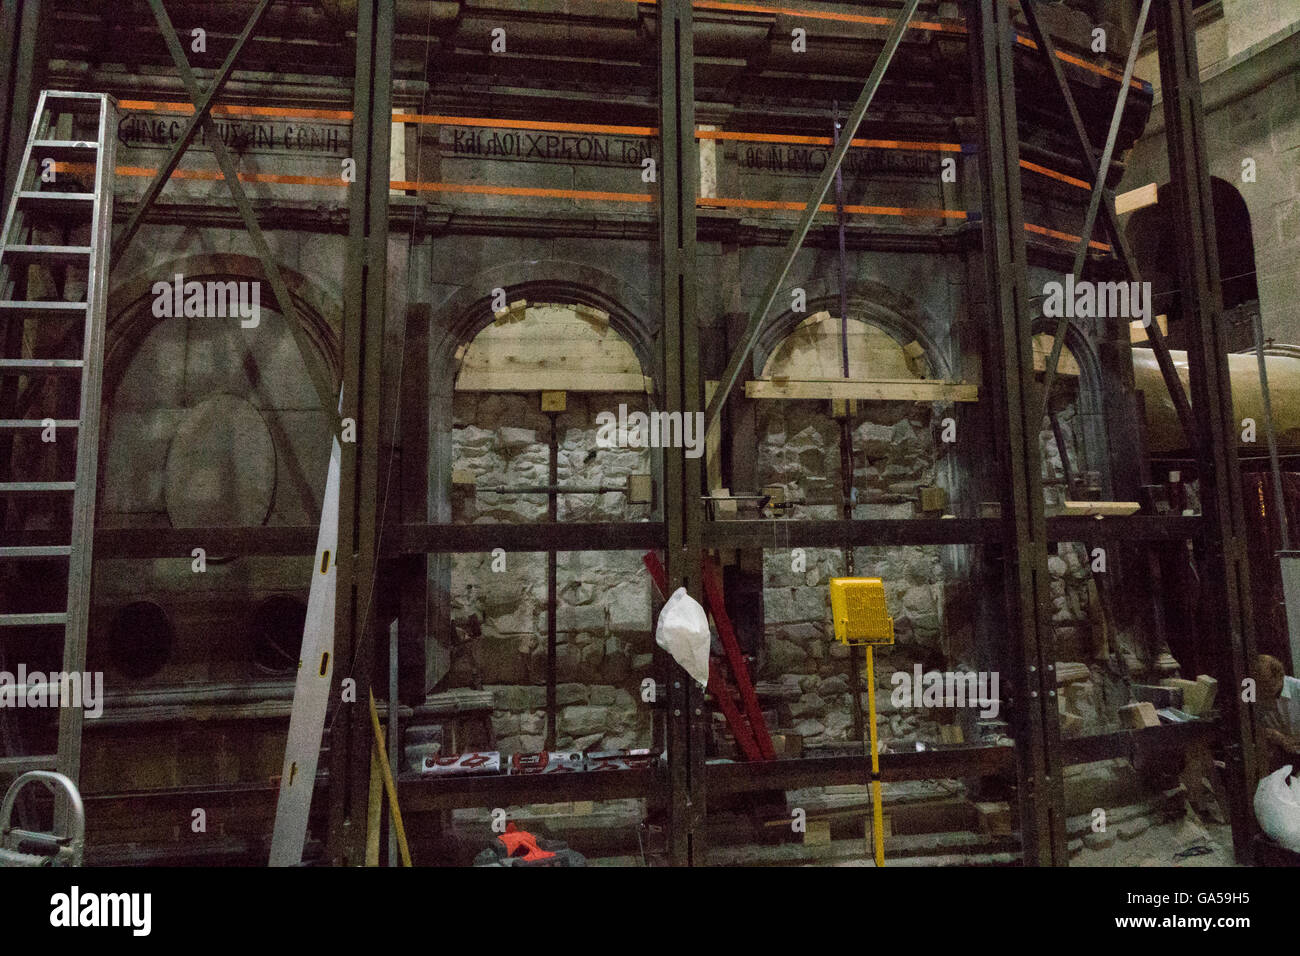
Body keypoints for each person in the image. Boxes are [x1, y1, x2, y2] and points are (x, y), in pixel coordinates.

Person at [1256, 654, 1300, 776]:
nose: (1262, 691)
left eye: (1267, 685)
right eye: (1258, 686)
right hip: (1282, 754)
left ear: (1280, 676)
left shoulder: (1297, 688)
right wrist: (1274, 735)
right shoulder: (1253, 693)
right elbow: (1254, 727)